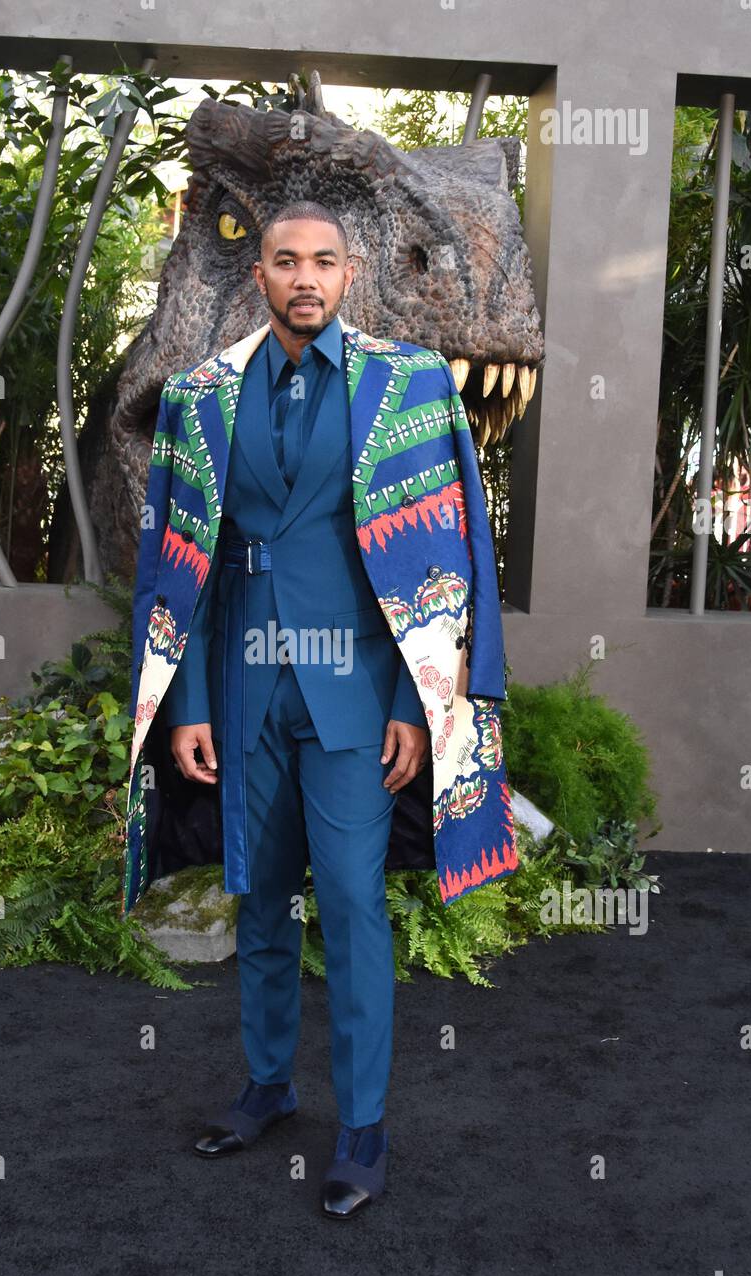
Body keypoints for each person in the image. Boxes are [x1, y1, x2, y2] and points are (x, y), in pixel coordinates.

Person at [127, 199, 514, 1219]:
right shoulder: (201, 397)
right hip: (244, 691)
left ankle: (363, 1129)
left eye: (325, 261)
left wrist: (407, 700)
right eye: (287, 260)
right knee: (258, 902)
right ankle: (265, 1085)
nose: (306, 277)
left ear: (350, 276)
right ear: (259, 275)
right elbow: (179, 559)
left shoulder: (409, 387)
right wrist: (192, 702)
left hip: (352, 695)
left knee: (349, 910)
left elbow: (443, 558)